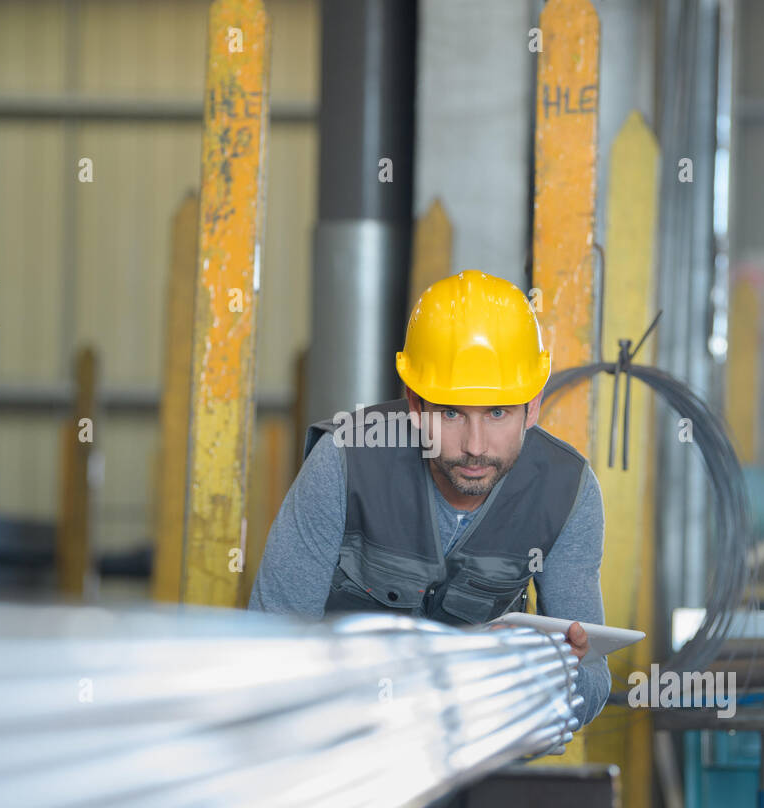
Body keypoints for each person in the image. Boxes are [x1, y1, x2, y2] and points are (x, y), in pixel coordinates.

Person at [249, 269, 610, 729]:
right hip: (341, 742)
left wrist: (557, 677)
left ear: (533, 405)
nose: (476, 445)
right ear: (416, 405)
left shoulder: (567, 492)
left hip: (475, 754)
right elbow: (271, 646)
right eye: (451, 413)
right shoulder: (344, 463)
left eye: (497, 412)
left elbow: (593, 676)